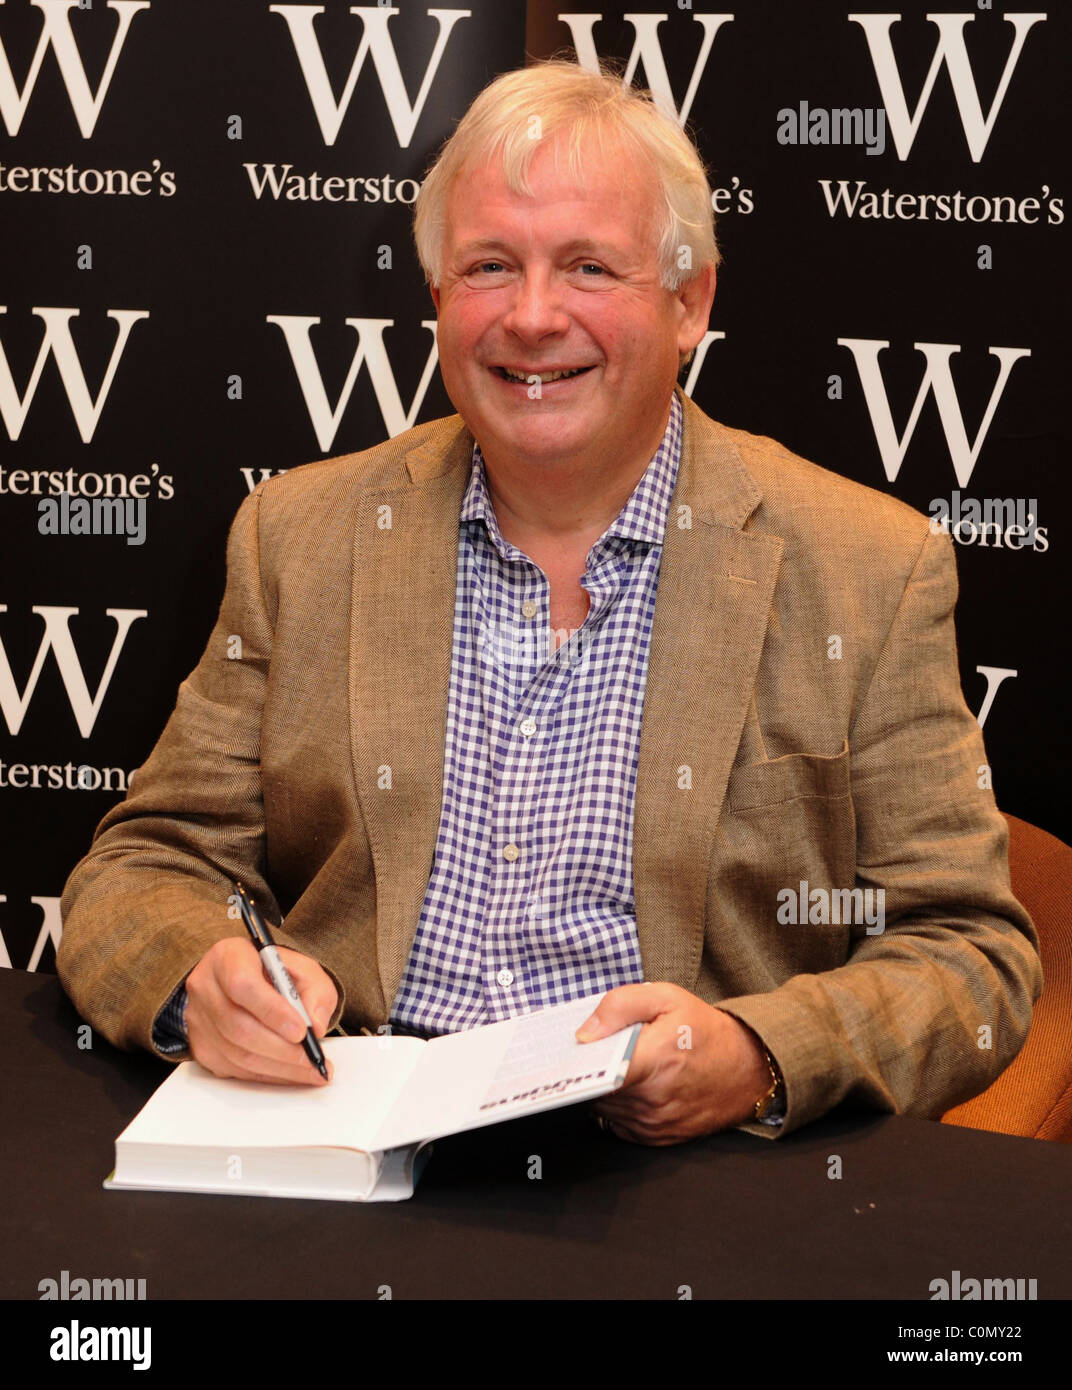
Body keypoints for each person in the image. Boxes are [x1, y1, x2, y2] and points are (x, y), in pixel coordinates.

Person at [57, 60, 1041, 1143]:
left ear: (688, 302)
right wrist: (200, 977)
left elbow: (967, 954)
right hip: (343, 1139)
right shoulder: (301, 536)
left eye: (587, 266)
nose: (531, 317)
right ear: (437, 300)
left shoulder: (868, 566)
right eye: (489, 266)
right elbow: (145, 866)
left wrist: (759, 1055)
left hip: (681, 1169)